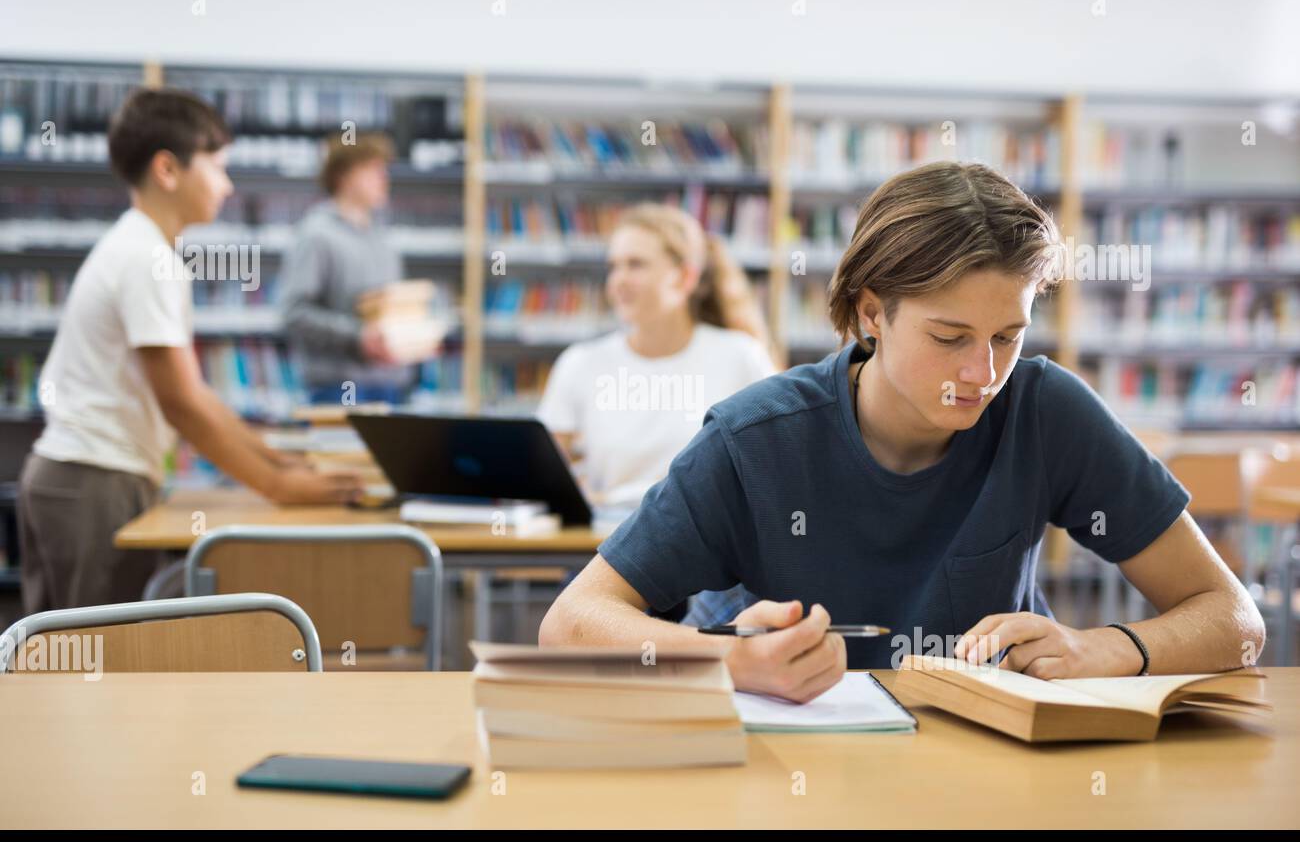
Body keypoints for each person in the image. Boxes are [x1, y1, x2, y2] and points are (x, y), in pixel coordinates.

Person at [540, 161, 1265, 702]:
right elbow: (571, 624)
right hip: (803, 769)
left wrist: (1107, 648)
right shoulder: (756, 438)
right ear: (871, 313)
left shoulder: (1046, 411)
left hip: (991, 769)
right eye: (949, 336)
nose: (983, 373)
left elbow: (1235, 618)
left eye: (1007, 336)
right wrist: (729, 660)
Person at [18, 88, 361, 615]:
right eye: (218, 167)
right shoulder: (146, 259)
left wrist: (277, 457)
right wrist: (279, 485)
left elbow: (194, 393)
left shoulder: (143, 247)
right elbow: (180, 403)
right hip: (92, 481)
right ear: (168, 170)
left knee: (61, 662)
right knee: (91, 672)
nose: (227, 186)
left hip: (82, 477)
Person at [536, 203, 776, 509]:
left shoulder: (740, 356)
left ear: (685, 277)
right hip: (608, 541)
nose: (619, 280)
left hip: (710, 543)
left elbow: (776, 461)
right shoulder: (580, 363)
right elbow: (541, 478)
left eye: (636, 265)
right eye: (614, 266)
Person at [282, 133, 429, 404]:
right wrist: (358, 336)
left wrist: (415, 337)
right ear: (344, 175)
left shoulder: (382, 237)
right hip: (339, 389)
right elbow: (294, 314)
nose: (384, 179)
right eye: (373, 170)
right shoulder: (316, 235)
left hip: (390, 386)